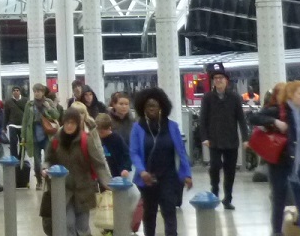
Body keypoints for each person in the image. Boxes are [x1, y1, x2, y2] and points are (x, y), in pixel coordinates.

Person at [252, 79, 300, 236]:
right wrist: (275, 122)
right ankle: (277, 231)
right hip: (281, 162)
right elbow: (253, 117)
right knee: (279, 199)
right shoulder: (280, 110)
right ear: (291, 95)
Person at [130, 87, 192, 236]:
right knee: (149, 214)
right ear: (142, 108)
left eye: (155, 105)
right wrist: (142, 171)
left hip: (169, 177)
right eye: (148, 106)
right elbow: (134, 152)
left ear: (161, 107)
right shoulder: (137, 128)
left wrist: (187, 174)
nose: (151, 108)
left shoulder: (172, 126)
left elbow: (181, 152)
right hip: (148, 178)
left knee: (169, 211)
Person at [46, 104, 111, 236]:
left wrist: (108, 183)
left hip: (83, 189)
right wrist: (45, 169)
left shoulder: (86, 140)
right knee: (68, 223)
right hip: (63, 190)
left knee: (82, 226)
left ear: (78, 124)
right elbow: (48, 159)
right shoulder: (56, 140)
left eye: (73, 123)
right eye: (67, 122)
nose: (69, 126)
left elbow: (98, 164)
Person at [199, 62, 249, 209]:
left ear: (226, 80)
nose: (218, 80)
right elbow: (203, 119)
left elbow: (241, 119)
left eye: (221, 78)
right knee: (214, 166)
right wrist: (204, 137)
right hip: (214, 140)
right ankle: (214, 190)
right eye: (216, 78)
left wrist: (245, 138)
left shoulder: (234, 98)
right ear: (213, 81)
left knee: (230, 170)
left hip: (231, 140)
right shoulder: (207, 98)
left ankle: (228, 198)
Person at [23, 83, 63, 188]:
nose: (37, 93)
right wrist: (23, 136)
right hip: (34, 135)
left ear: (43, 92)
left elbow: (56, 115)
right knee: (37, 161)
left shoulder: (48, 102)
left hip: (47, 135)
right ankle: (39, 180)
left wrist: (48, 108)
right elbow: (25, 121)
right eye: (35, 91)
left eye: (39, 91)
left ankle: (48, 180)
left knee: (47, 159)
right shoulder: (29, 104)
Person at [97, 113, 132, 178]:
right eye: (97, 131)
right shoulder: (96, 139)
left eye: (102, 132)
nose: (99, 134)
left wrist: (125, 168)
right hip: (103, 175)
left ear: (109, 128)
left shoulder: (117, 139)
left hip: (118, 174)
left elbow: (127, 155)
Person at [7, 85, 29, 157]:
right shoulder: (8, 102)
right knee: (13, 142)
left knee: (22, 142)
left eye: (17, 90)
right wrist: (4, 126)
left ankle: (21, 157)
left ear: (20, 92)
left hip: (22, 125)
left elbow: (28, 112)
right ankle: (14, 157)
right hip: (12, 124)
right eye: (14, 90)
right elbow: (6, 114)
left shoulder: (25, 100)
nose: (16, 92)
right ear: (12, 92)